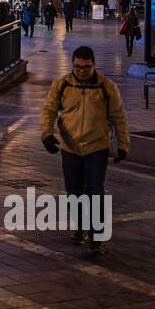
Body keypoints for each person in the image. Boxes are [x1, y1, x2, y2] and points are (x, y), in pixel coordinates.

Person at [40, 46, 130, 256]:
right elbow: (49, 110)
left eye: (86, 67)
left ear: (93, 65)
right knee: (74, 191)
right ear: (73, 65)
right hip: (70, 147)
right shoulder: (61, 85)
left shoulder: (107, 87)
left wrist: (123, 145)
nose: (81, 71)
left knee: (95, 192)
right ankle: (80, 227)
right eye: (77, 67)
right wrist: (46, 134)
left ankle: (97, 237)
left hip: (97, 146)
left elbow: (119, 117)